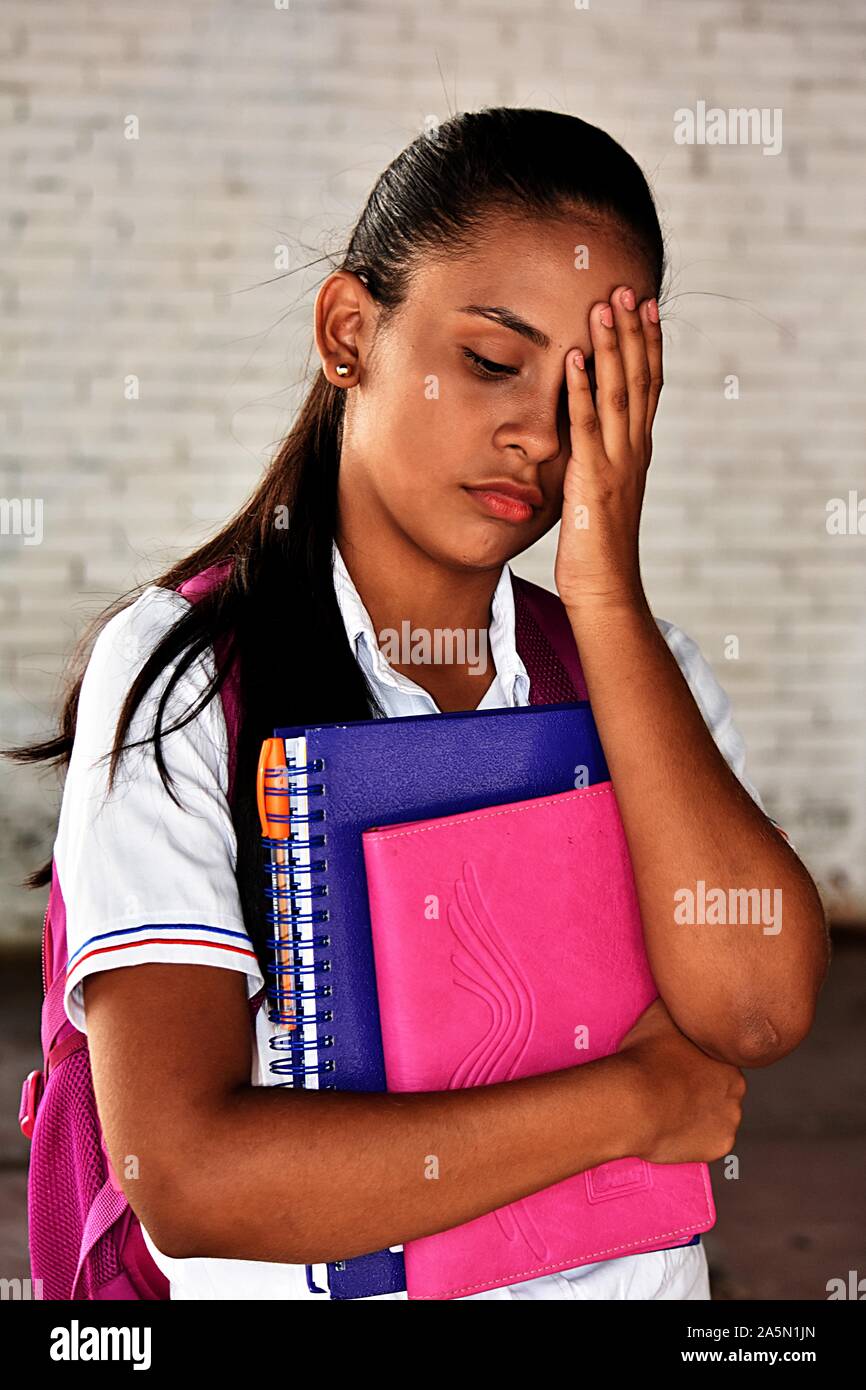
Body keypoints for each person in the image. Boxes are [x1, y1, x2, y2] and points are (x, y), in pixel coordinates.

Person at [7, 107, 829, 1301]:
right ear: (349, 331)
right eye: (493, 361)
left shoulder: (635, 673)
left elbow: (755, 1012)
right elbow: (183, 1172)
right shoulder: (190, 675)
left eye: (587, 392)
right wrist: (631, 1102)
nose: (535, 435)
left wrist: (604, 596)